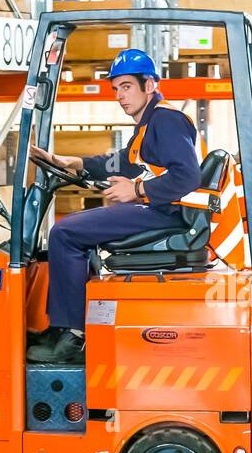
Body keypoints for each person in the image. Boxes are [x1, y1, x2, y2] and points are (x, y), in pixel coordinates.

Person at [26, 48, 203, 366]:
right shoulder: (150, 123)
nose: (120, 96)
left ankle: (72, 334)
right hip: (161, 209)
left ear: (149, 85)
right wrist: (74, 162)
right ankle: (63, 327)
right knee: (76, 231)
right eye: (116, 88)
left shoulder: (167, 121)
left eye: (127, 87)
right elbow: (123, 160)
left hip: (168, 213)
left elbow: (188, 175)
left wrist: (137, 190)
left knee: (65, 232)